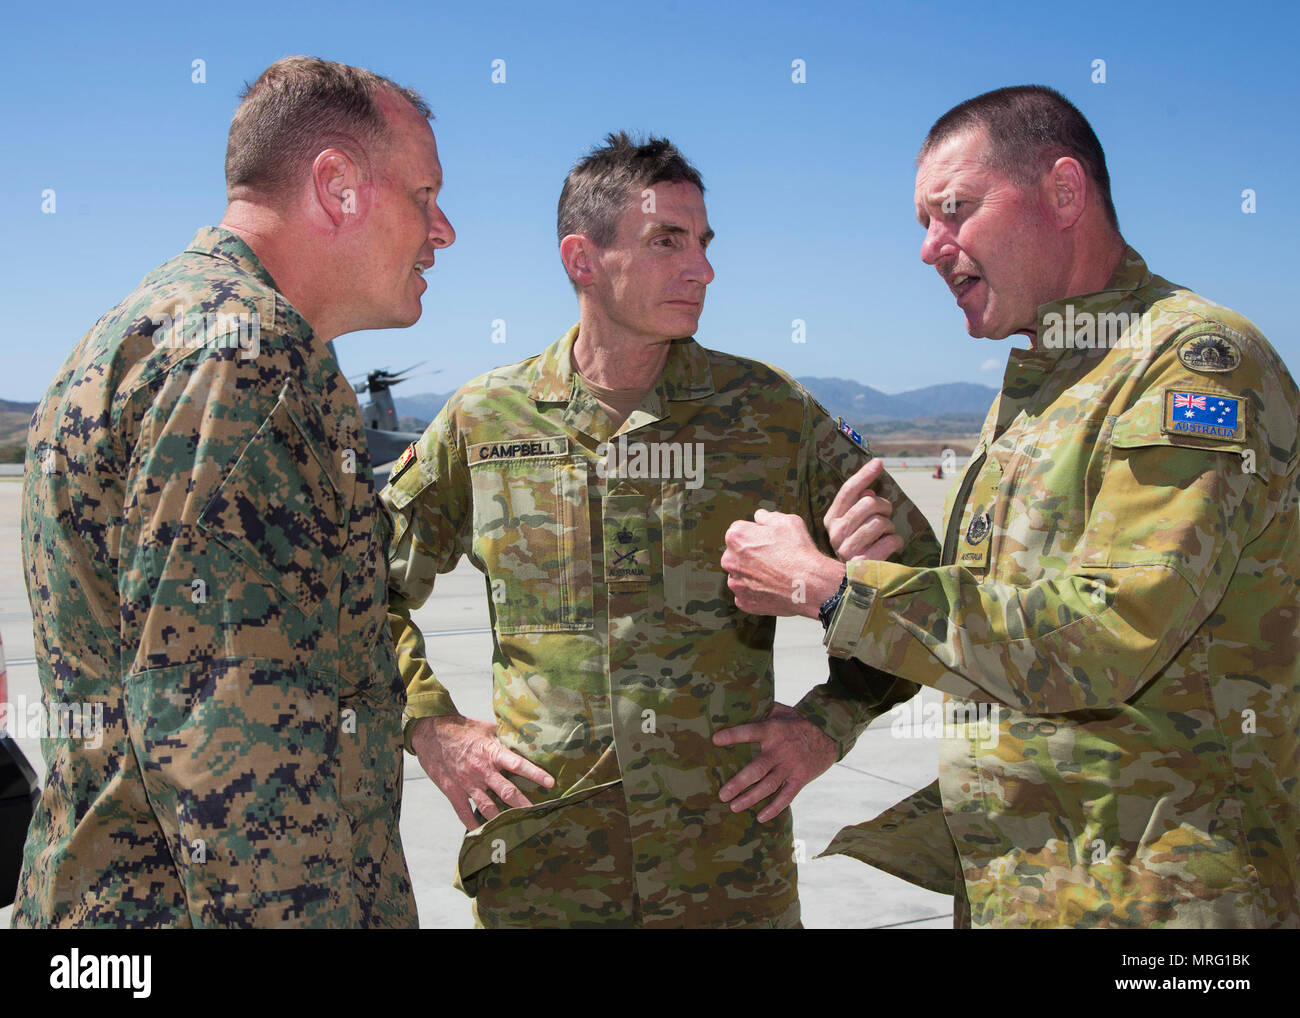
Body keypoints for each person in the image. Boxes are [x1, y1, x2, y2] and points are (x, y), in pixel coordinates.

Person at [721, 85, 1299, 928]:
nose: (929, 249)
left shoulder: (1192, 365)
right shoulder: (1045, 385)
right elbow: (1007, 610)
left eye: (953, 210)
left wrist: (833, 592)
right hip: (1027, 887)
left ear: (1064, 193)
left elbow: (1106, 634)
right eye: (923, 222)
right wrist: (871, 567)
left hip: (1165, 911)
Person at [382, 132, 939, 928]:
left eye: (703, 243)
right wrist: (433, 730)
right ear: (582, 259)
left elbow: (924, 587)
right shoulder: (485, 421)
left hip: (726, 879)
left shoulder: (771, 414)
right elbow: (357, 590)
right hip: (547, 879)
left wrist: (829, 724)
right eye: (666, 242)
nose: (702, 269)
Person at [13, 56, 455, 928]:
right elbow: (232, 745)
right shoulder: (249, 356)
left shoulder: (144, 327)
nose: (443, 231)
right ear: (337, 185)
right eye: (425, 196)